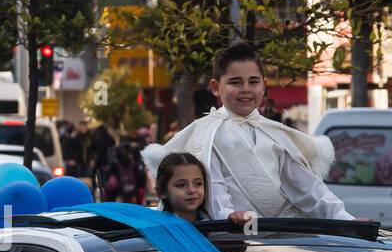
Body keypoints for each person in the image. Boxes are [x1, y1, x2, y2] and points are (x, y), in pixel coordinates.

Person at [141, 41, 354, 223]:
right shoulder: (206, 134)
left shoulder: (276, 134)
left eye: (253, 82)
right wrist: (228, 215)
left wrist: (345, 218)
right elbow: (214, 189)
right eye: (235, 82)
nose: (245, 89)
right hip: (228, 239)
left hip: (279, 240)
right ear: (216, 87)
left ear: (264, 85)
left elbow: (308, 188)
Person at [157, 151, 211, 223]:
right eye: (181, 185)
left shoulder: (219, 227)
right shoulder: (154, 230)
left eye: (198, 184)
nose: (192, 190)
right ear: (162, 191)